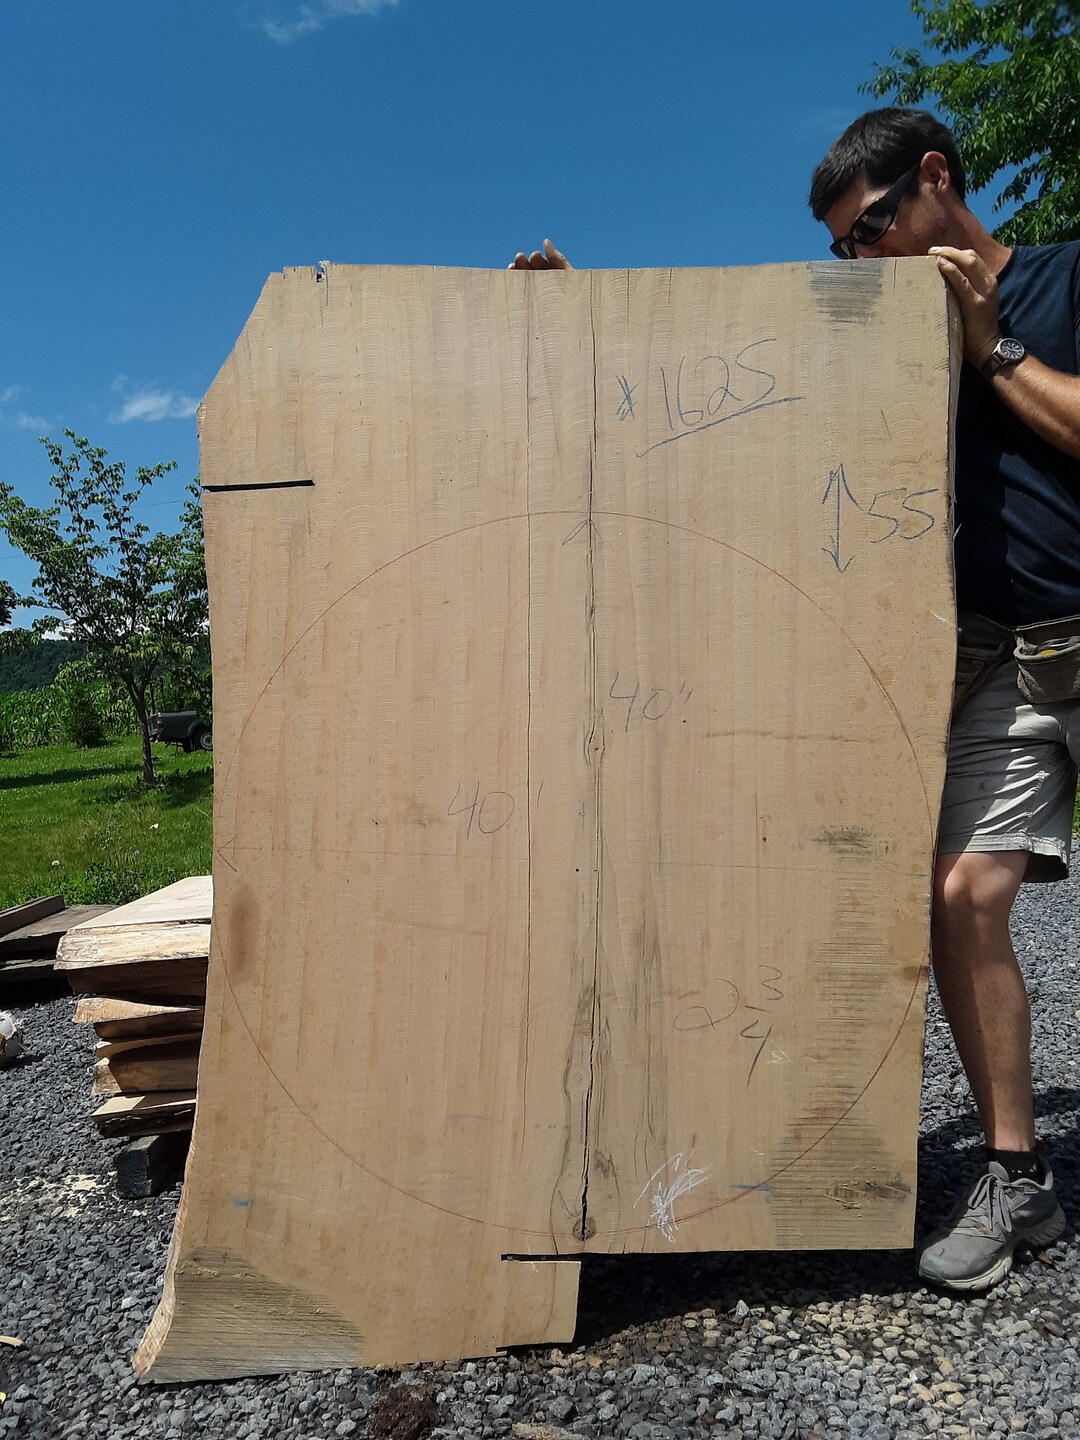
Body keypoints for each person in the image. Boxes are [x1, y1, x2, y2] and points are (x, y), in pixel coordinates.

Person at [511, 106, 1080, 1293]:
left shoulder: (1067, 280)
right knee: (962, 895)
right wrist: (593, 316)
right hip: (1001, 660)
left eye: (870, 230)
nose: (860, 263)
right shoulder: (874, 336)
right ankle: (1018, 1182)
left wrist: (995, 354)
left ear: (936, 179)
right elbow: (728, 390)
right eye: (843, 252)